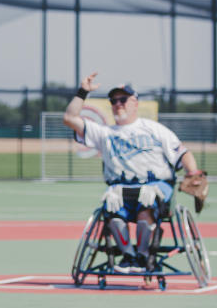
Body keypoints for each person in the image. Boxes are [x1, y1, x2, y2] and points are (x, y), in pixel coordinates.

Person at [63, 73, 203, 271]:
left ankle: (144, 256)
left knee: (147, 203)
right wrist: (83, 91)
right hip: (120, 188)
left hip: (155, 185)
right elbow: (70, 118)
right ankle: (128, 255)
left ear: (135, 102)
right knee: (112, 209)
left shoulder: (154, 129)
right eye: (114, 101)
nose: (118, 104)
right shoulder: (105, 133)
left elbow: (183, 153)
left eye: (123, 99)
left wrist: (194, 174)